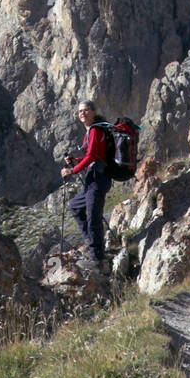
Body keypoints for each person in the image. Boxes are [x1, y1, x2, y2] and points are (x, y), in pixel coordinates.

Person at [61, 99, 111, 271]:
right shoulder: (91, 131)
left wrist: (72, 170)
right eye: (80, 111)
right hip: (93, 178)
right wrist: (76, 160)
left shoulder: (96, 130)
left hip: (98, 179)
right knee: (75, 206)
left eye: (86, 110)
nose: (82, 113)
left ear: (94, 112)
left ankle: (97, 258)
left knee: (93, 217)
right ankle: (92, 243)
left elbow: (91, 157)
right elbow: (93, 156)